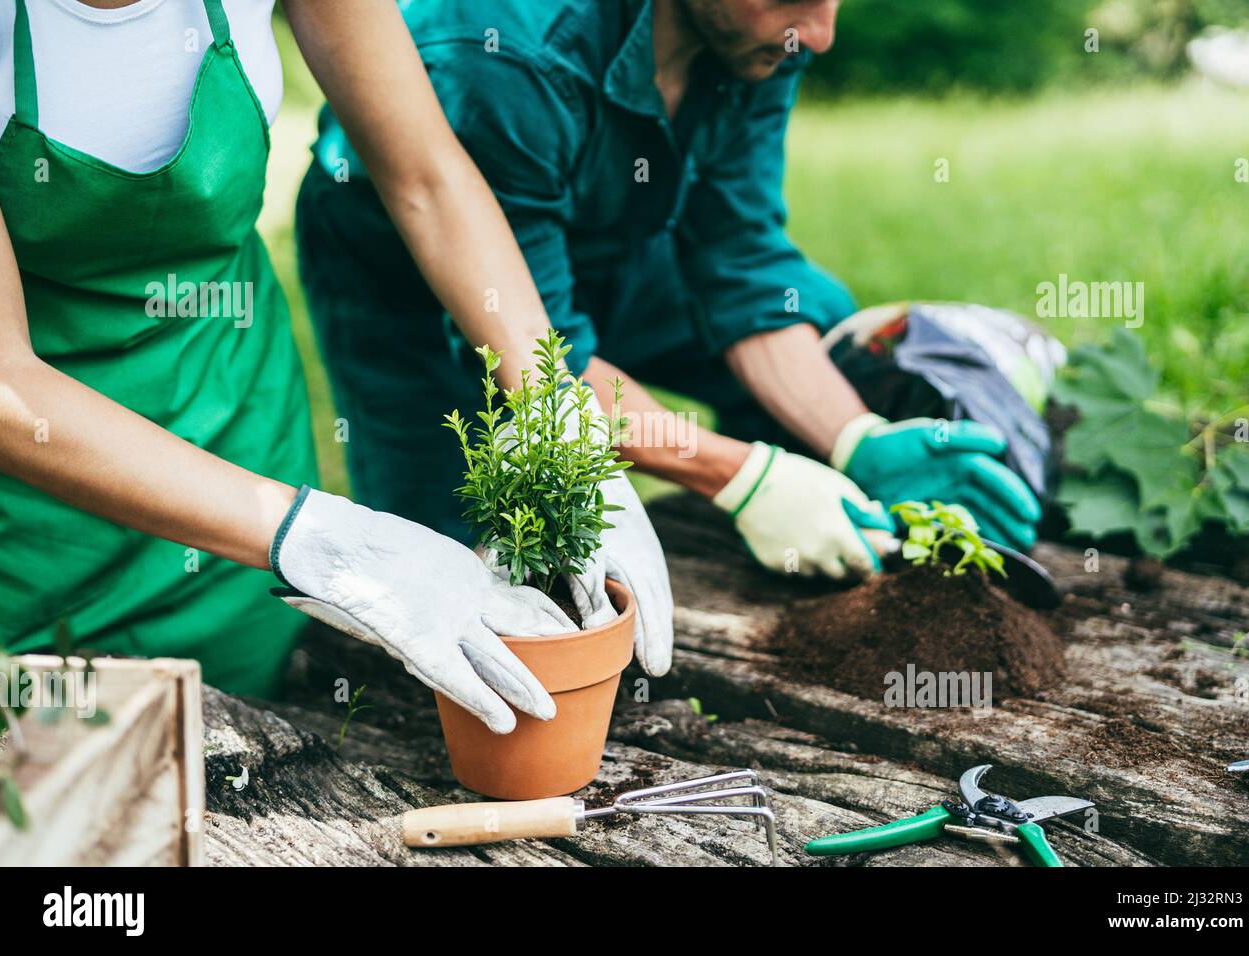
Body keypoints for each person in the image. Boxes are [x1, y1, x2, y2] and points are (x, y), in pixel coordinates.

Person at [0, 0, 672, 734]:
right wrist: (314, 537)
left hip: (239, 469)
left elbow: (426, 175)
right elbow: (4, 379)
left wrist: (553, 415)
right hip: (35, 541)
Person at [296, 0, 1042, 587]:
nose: (818, 35)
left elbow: (739, 255)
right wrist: (740, 478)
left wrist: (857, 437)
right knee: (460, 553)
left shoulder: (760, 36)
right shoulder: (509, 57)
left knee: (815, 324)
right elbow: (541, 364)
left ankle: (806, 528)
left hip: (618, 221)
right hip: (411, 281)